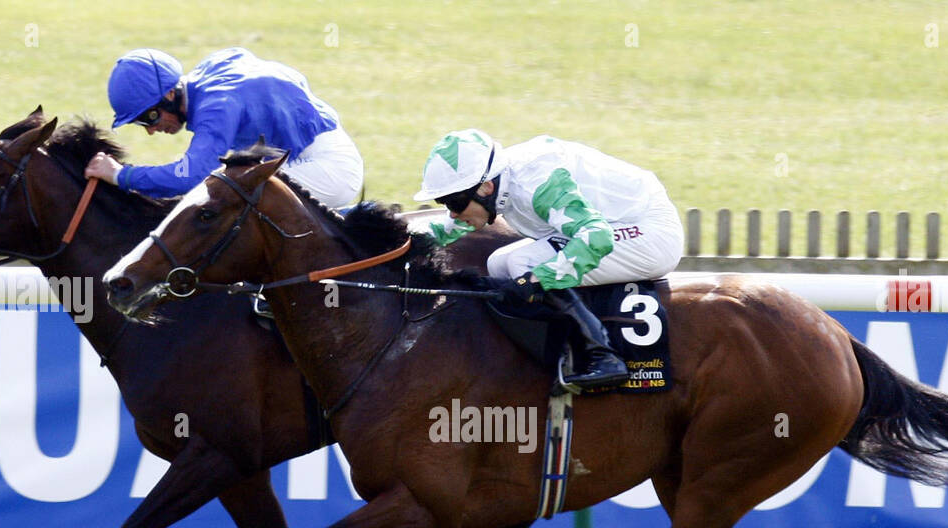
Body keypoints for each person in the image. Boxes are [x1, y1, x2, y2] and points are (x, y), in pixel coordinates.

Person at [414, 129, 683, 388]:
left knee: (524, 264)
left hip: (649, 232)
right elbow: (454, 227)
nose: (451, 213)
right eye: (444, 203)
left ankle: (602, 355)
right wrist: (401, 239)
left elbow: (597, 238)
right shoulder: (499, 183)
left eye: (453, 203)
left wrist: (535, 280)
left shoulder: (537, 185)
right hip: (615, 223)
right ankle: (551, 352)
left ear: (485, 187)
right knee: (499, 263)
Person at [86, 47, 363, 208]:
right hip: (308, 152)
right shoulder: (210, 72)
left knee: (226, 196)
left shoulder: (216, 107)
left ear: (170, 94)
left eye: (149, 117)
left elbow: (187, 178)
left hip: (328, 168)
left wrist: (122, 175)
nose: (150, 130)